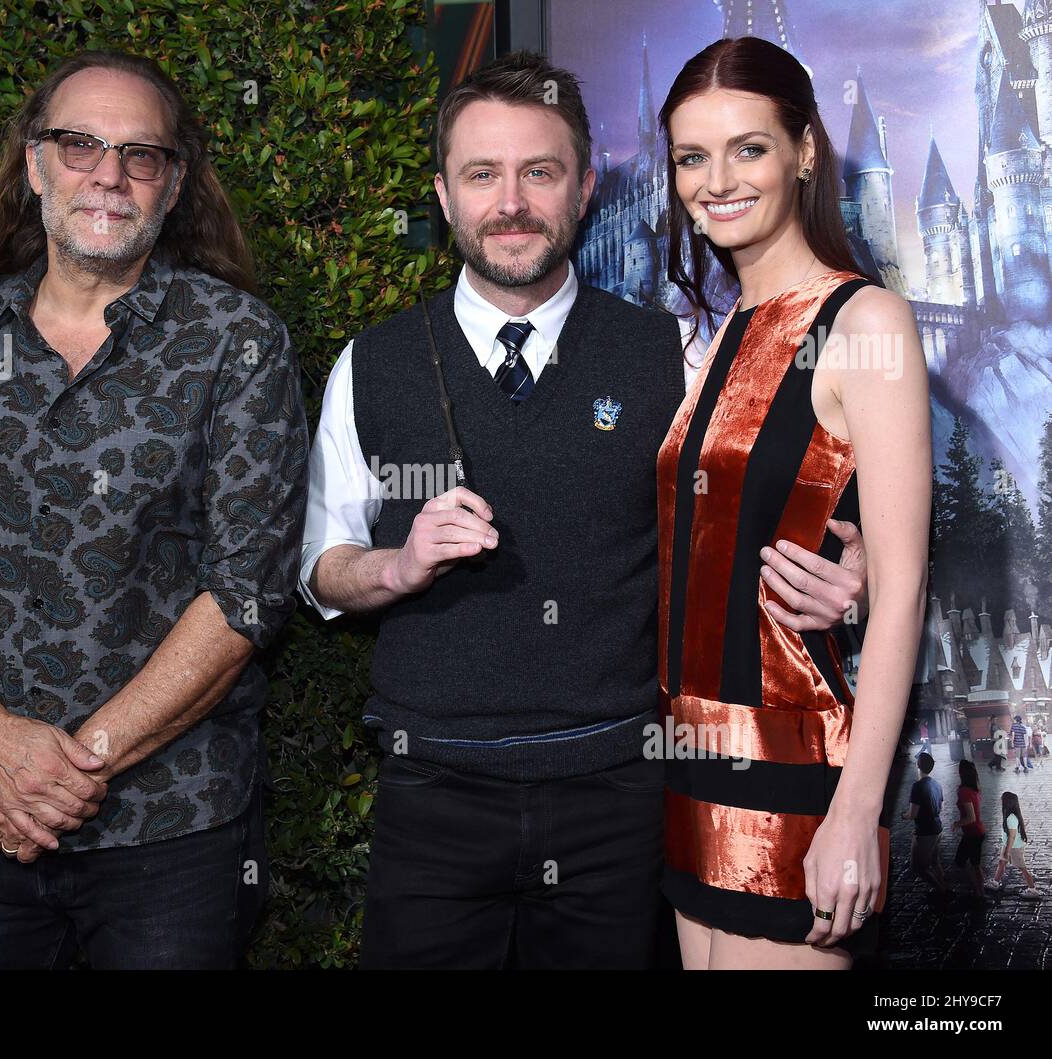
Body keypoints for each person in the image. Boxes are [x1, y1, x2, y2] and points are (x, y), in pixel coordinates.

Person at [298, 50, 869, 969]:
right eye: (481, 175)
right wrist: (395, 566)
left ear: (585, 186)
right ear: (443, 195)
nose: (510, 202)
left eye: (540, 171)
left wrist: (853, 568)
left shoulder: (672, 352)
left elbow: (765, 497)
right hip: (433, 795)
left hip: (620, 796)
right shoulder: (373, 365)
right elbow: (322, 567)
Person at [0, 51, 309, 968]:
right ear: (34, 164)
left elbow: (245, 592)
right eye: (80, 145)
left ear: (172, 184)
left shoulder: (236, 342)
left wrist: (57, 775)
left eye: (141, 154)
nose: (109, 174)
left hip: (172, 833)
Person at [656, 37, 930, 970]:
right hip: (690, 760)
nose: (716, 181)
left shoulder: (866, 322)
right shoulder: (715, 332)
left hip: (798, 764)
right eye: (692, 157)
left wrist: (856, 811)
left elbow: (903, 586)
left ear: (805, 150)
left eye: (749, 148)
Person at [903, 753, 946, 896]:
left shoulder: (917, 786)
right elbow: (941, 807)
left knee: (918, 868)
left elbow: (912, 814)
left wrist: (903, 815)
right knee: (935, 861)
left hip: (925, 832)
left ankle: (941, 891)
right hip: (937, 828)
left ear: (918, 765)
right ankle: (943, 887)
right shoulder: (937, 784)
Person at [985, 792, 1040, 897]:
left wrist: (1007, 851)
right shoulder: (1010, 815)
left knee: (1022, 868)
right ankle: (995, 882)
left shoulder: (1011, 818)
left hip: (1014, 847)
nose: (1000, 801)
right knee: (1002, 862)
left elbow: (1012, 836)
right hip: (1009, 845)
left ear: (1007, 802)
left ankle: (1032, 890)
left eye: (1002, 799)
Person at [952, 759, 986, 901]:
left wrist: (957, 824)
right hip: (977, 831)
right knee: (975, 864)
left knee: (961, 862)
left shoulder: (964, 791)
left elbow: (971, 817)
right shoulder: (974, 789)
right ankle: (980, 892)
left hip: (973, 833)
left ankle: (977, 891)